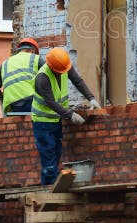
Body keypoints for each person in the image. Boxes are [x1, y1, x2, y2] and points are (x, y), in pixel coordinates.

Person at [32, 47, 100, 185]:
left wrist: (91, 98)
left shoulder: (63, 66)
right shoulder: (42, 78)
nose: (63, 72)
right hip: (42, 122)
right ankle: (49, 191)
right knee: (49, 158)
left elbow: (78, 81)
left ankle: (52, 187)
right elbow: (50, 102)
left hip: (56, 120)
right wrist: (71, 115)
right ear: (52, 67)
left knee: (56, 153)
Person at [0, 37, 41, 115]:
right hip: (32, 104)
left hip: (12, 108)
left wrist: (3, 96)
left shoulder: (5, 64)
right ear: (33, 50)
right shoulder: (35, 58)